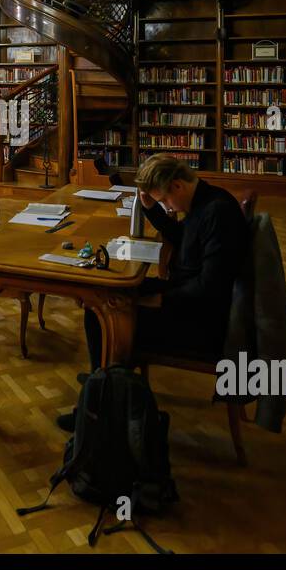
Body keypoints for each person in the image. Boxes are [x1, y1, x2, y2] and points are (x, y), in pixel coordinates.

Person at [64, 153, 248, 430]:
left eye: (164, 199)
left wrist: (158, 299)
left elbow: (211, 288)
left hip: (200, 322)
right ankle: (104, 382)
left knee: (103, 316)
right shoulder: (206, 200)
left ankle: (100, 405)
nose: (167, 206)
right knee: (102, 300)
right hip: (188, 298)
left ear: (176, 185)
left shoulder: (217, 213)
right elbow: (183, 238)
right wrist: (152, 208)